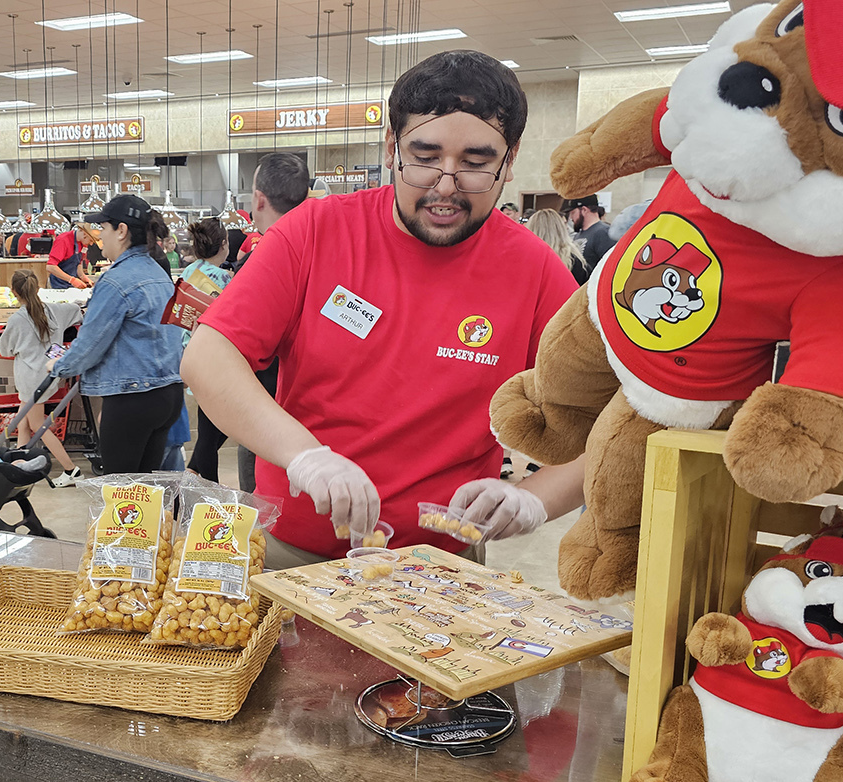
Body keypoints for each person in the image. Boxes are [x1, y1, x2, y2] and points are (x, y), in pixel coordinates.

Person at [181, 50, 585, 569]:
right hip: (295, 555)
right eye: (425, 156)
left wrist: (535, 497)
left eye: (475, 164)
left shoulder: (534, 271)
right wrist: (306, 457)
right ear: (392, 146)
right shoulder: (314, 232)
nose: (445, 185)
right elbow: (209, 357)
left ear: (509, 162)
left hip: (444, 565)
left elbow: (608, 420)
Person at [49, 195, 183, 474]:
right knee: (147, 487)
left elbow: (90, 344)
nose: (100, 236)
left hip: (133, 398)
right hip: (168, 394)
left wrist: (59, 366)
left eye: (103, 228)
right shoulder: (159, 273)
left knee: (120, 489)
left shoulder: (116, 281)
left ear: (121, 231)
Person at [231, 151, 312, 493]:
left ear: (259, 199)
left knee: (262, 506)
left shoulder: (257, 263)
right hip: (316, 418)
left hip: (265, 409)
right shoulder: (325, 254)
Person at [0, 269, 86, 487]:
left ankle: (71, 470)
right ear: (38, 288)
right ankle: (20, 465)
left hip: (30, 379)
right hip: (48, 375)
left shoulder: (17, 320)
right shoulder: (55, 310)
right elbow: (77, 311)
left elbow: (5, 349)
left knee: (38, 424)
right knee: (24, 420)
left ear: (14, 292)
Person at [180, 218, 236, 480]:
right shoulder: (225, 279)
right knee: (211, 430)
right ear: (223, 244)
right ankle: (209, 490)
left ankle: (193, 474)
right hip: (214, 358)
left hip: (188, 353)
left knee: (211, 426)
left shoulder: (188, 272)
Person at [527, 208, 590, 284]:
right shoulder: (573, 261)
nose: (567, 227)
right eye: (564, 224)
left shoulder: (527, 260)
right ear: (559, 229)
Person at [565, 195, 615, 274]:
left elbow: (611, 264)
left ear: (584, 210)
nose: (571, 218)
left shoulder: (603, 233)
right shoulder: (578, 235)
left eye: (573, 213)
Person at [46, 222, 98, 289]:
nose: (91, 244)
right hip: (58, 285)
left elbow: (78, 263)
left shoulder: (83, 244)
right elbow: (50, 267)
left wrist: (82, 276)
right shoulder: (63, 240)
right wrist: (72, 280)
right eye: (91, 240)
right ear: (85, 234)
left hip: (71, 285)